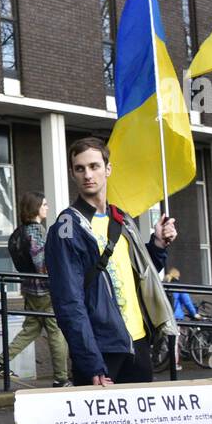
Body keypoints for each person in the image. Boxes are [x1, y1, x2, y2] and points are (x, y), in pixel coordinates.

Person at [45, 136, 178, 386]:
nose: (88, 175)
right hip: (101, 350)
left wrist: (158, 246)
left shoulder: (122, 219)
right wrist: (89, 361)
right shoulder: (67, 227)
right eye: (80, 168)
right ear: (73, 174)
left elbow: (140, 276)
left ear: (108, 169)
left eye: (94, 166)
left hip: (138, 343)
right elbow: (68, 301)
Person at [0, 191, 70, 386]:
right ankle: (61, 378)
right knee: (56, 331)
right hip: (45, 291)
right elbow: (41, 263)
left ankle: (1, 362)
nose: (47, 207)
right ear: (36, 207)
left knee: (31, 328)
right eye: (44, 204)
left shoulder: (18, 233)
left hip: (28, 289)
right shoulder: (37, 231)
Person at [164, 268, 198, 370]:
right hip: (176, 317)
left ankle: (157, 362)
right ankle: (174, 364)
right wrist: (194, 314)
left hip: (164, 316)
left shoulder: (164, 284)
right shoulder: (178, 286)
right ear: (177, 276)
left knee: (162, 340)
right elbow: (187, 302)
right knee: (174, 342)